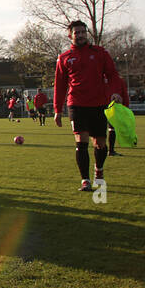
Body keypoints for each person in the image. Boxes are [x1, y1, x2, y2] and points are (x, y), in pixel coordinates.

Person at [53, 19, 129, 190]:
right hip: (76, 104)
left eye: (82, 32)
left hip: (99, 104)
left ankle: (98, 170)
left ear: (86, 33)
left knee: (100, 144)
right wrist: (58, 110)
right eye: (76, 33)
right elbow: (60, 85)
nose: (79, 35)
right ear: (70, 35)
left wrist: (116, 91)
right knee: (81, 141)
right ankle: (85, 180)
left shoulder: (100, 53)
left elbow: (113, 75)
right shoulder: (64, 58)